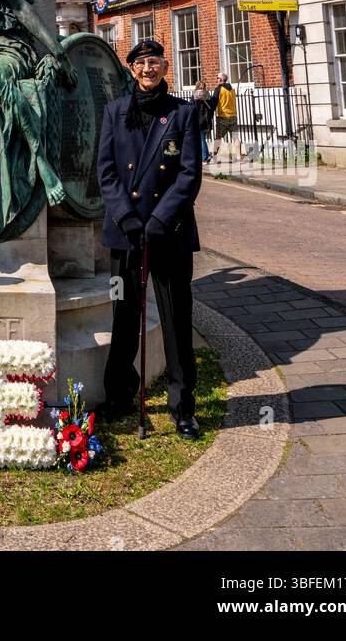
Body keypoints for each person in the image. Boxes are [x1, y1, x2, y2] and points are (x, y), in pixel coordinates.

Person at [95, 38, 202, 440]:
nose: (147, 69)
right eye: (141, 63)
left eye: (154, 62)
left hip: (168, 233)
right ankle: (119, 393)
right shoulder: (114, 111)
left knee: (176, 320)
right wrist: (127, 216)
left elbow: (189, 174)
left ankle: (183, 407)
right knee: (124, 316)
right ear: (132, 69)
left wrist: (158, 220)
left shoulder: (182, 113)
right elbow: (106, 169)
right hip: (125, 235)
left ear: (164, 67)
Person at [212, 71, 244, 161]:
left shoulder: (218, 89)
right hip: (233, 116)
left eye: (217, 78)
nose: (216, 79)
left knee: (218, 137)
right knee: (235, 137)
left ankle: (214, 156)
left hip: (222, 116)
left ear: (221, 79)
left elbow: (214, 102)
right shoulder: (232, 89)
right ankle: (239, 156)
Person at [192, 81, 216, 163]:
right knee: (202, 139)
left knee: (201, 139)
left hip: (198, 120)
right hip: (206, 120)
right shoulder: (208, 95)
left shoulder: (194, 95)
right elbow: (212, 108)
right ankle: (206, 155)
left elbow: (192, 108)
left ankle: (204, 157)